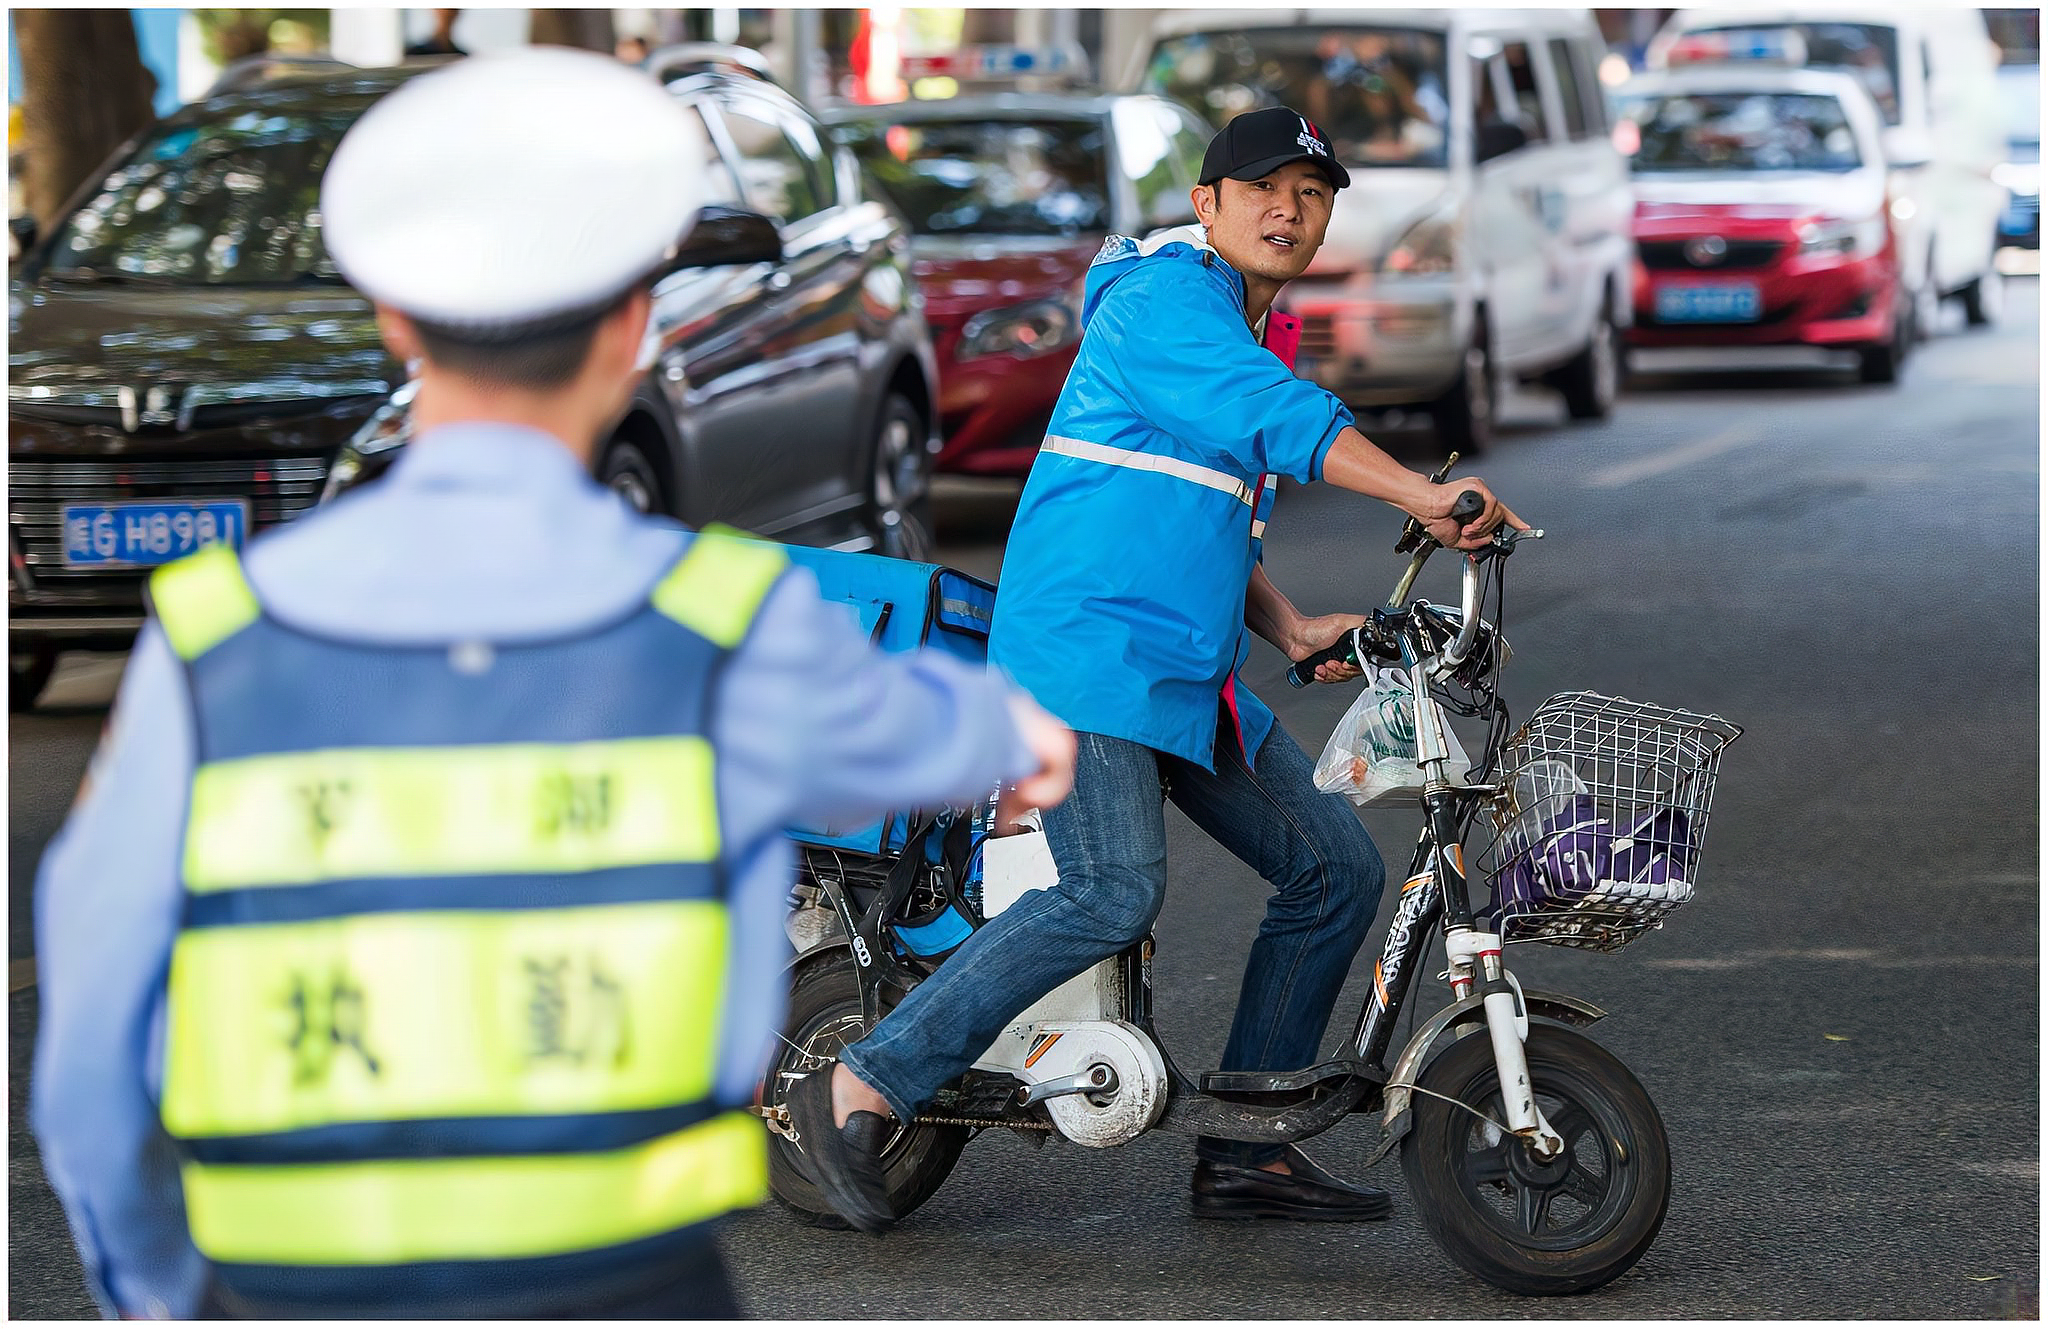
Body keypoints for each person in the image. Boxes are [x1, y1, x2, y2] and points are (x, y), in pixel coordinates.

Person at [30, 49, 1073, 1320]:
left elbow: (90, 1049)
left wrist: (153, 1292)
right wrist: (1015, 737)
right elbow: (954, 736)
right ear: (634, 332)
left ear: (393, 323)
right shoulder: (725, 621)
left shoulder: (212, 637)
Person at [792, 105, 1522, 1233]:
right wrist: (1424, 493)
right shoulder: (1160, 302)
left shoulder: (1245, 325)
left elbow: (1202, 511)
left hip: (1182, 669)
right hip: (1083, 652)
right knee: (1110, 887)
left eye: (1312, 194)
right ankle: (859, 1084)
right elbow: (1269, 421)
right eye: (1262, 189)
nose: (1288, 210)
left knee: (1333, 872)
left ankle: (1247, 1155)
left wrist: (1283, 627)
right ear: (1205, 204)